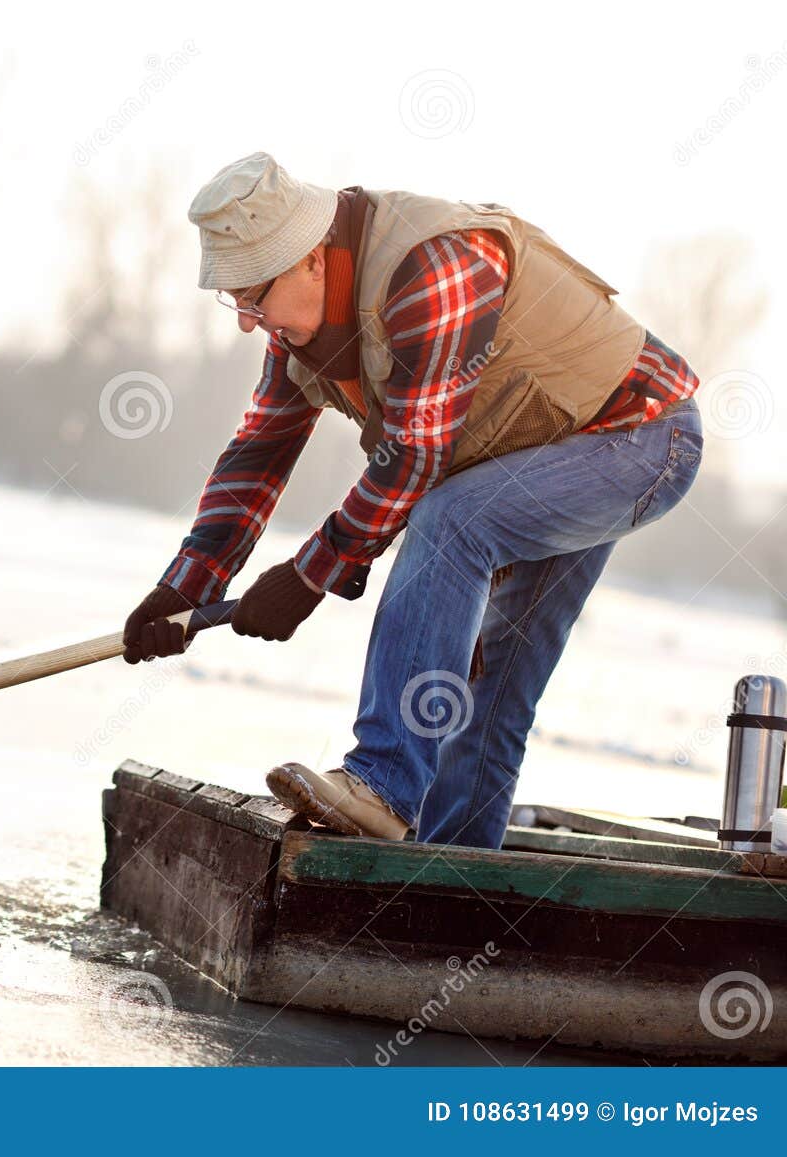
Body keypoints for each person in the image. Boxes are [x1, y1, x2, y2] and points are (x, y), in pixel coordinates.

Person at [122, 152, 703, 850]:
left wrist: (309, 575)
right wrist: (181, 590)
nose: (248, 320)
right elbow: (256, 457)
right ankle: (451, 887)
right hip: (538, 455)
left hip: (641, 437)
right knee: (489, 696)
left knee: (451, 522)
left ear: (312, 259)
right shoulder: (297, 335)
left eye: (253, 294)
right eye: (234, 299)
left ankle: (382, 783)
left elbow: (415, 459)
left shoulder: (433, 266)